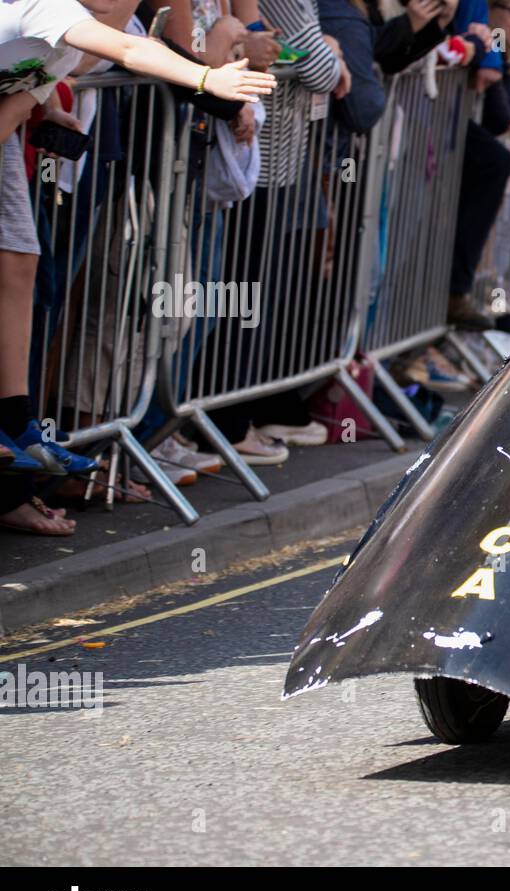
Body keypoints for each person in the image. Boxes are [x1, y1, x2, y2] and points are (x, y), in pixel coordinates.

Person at [0, 0, 274, 533]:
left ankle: (15, 423)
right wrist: (206, 77)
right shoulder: (46, 7)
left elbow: (35, 90)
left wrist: (41, 106)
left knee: (19, 263)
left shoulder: (73, 45)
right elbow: (129, 48)